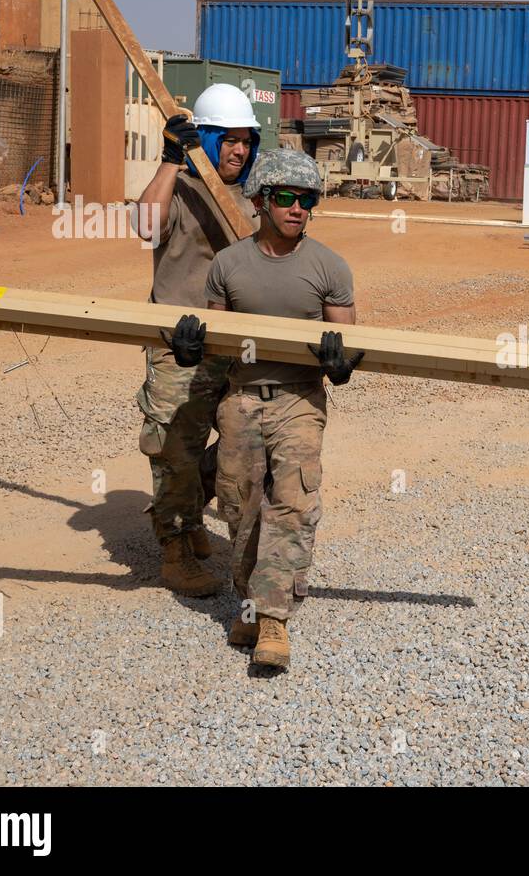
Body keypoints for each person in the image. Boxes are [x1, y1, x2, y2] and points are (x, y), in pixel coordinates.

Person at [165, 150, 361, 670]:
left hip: (299, 399)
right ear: (261, 202)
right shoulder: (229, 265)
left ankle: (274, 620)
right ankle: (250, 603)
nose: (299, 209)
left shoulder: (328, 266)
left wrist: (342, 364)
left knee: (292, 502)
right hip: (241, 400)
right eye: (288, 198)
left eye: (308, 201)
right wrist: (193, 349)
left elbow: (351, 339)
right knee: (240, 507)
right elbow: (219, 340)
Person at [132, 84, 261, 597]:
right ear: (203, 139)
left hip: (234, 347)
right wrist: (168, 160)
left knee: (242, 442)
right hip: (178, 346)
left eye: (246, 140)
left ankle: (187, 517)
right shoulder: (179, 187)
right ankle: (176, 548)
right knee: (173, 448)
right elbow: (144, 226)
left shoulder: (247, 199)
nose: (238, 149)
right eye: (226, 138)